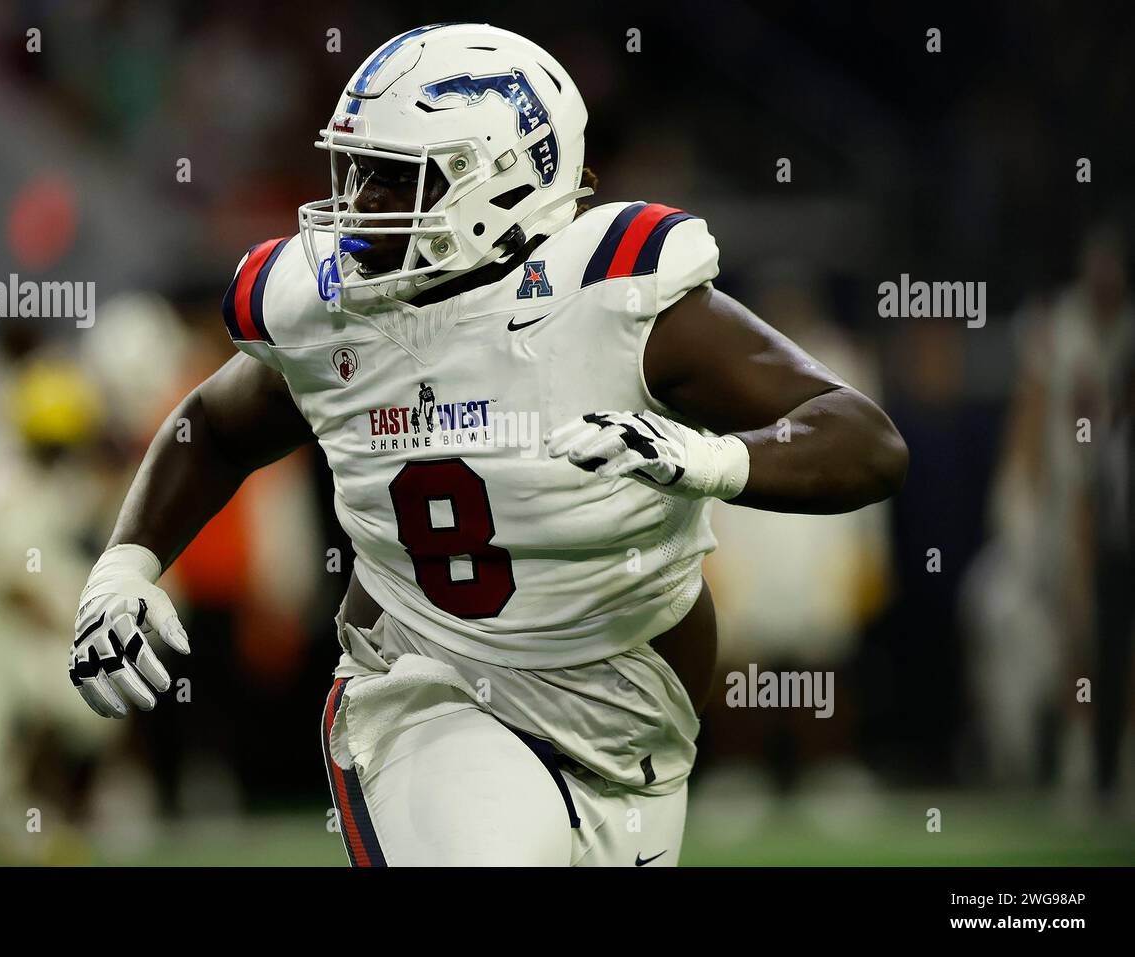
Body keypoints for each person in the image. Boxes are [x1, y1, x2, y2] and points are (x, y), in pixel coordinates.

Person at [67, 23, 907, 866]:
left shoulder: (612, 295)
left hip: (634, 728)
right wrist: (124, 566)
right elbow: (211, 424)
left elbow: (866, 439)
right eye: (354, 171)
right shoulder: (327, 312)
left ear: (501, 181)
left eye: (395, 180)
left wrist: (715, 461)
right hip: (433, 687)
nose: (356, 208)